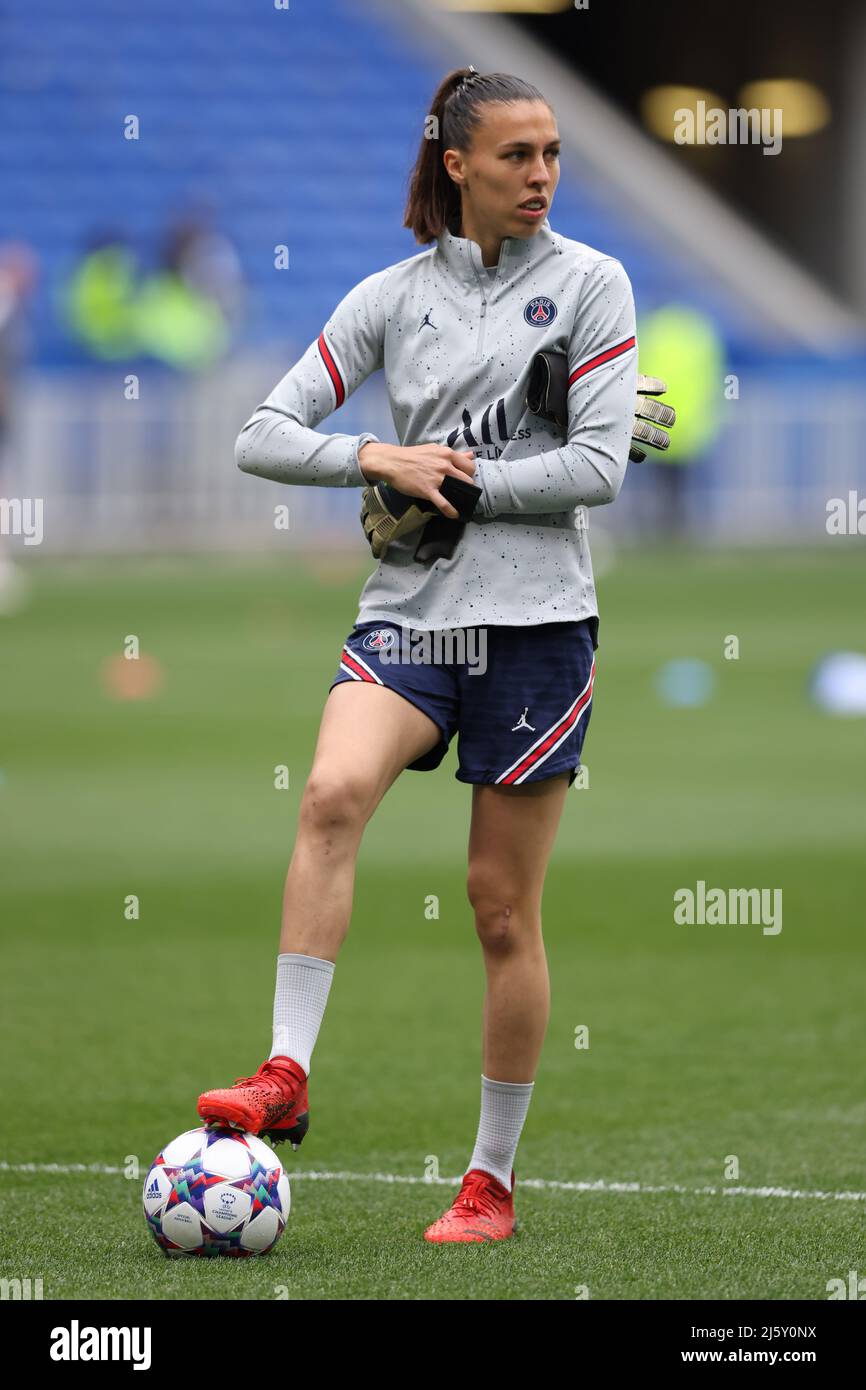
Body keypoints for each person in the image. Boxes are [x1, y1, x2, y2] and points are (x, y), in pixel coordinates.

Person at [197, 66, 637, 1243]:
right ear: (456, 165)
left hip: (538, 626)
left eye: (550, 153)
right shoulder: (390, 297)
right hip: (409, 613)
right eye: (514, 156)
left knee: (498, 908)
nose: (540, 174)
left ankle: (488, 1179)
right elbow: (262, 433)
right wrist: (375, 461)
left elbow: (598, 468)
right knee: (333, 791)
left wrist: (463, 475)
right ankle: (284, 1072)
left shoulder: (595, 285)